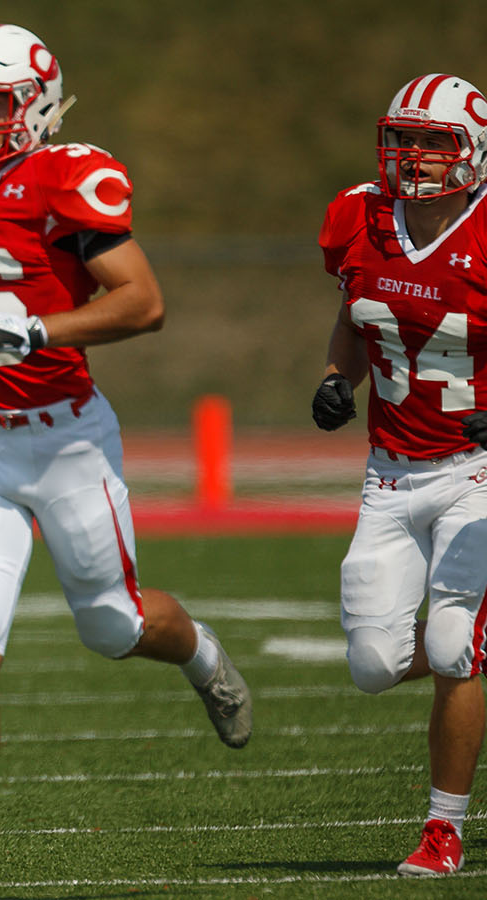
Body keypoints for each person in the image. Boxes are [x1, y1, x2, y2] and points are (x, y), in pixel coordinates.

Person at [0, 24, 253, 896]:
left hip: (66, 438)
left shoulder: (66, 176)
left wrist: (41, 329)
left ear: (37, 103)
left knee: (113, 626)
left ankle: (202, 655)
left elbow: (142, 302)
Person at [312, 72, 487, 878]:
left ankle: (442, 831)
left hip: (476, 470)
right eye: (403, 140)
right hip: (390, 473)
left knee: (450, 644)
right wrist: (335, 377)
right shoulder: (359, 216)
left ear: (472, 153)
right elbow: (357, 311)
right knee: (374, 665)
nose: (414, 157)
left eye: (432, 142)